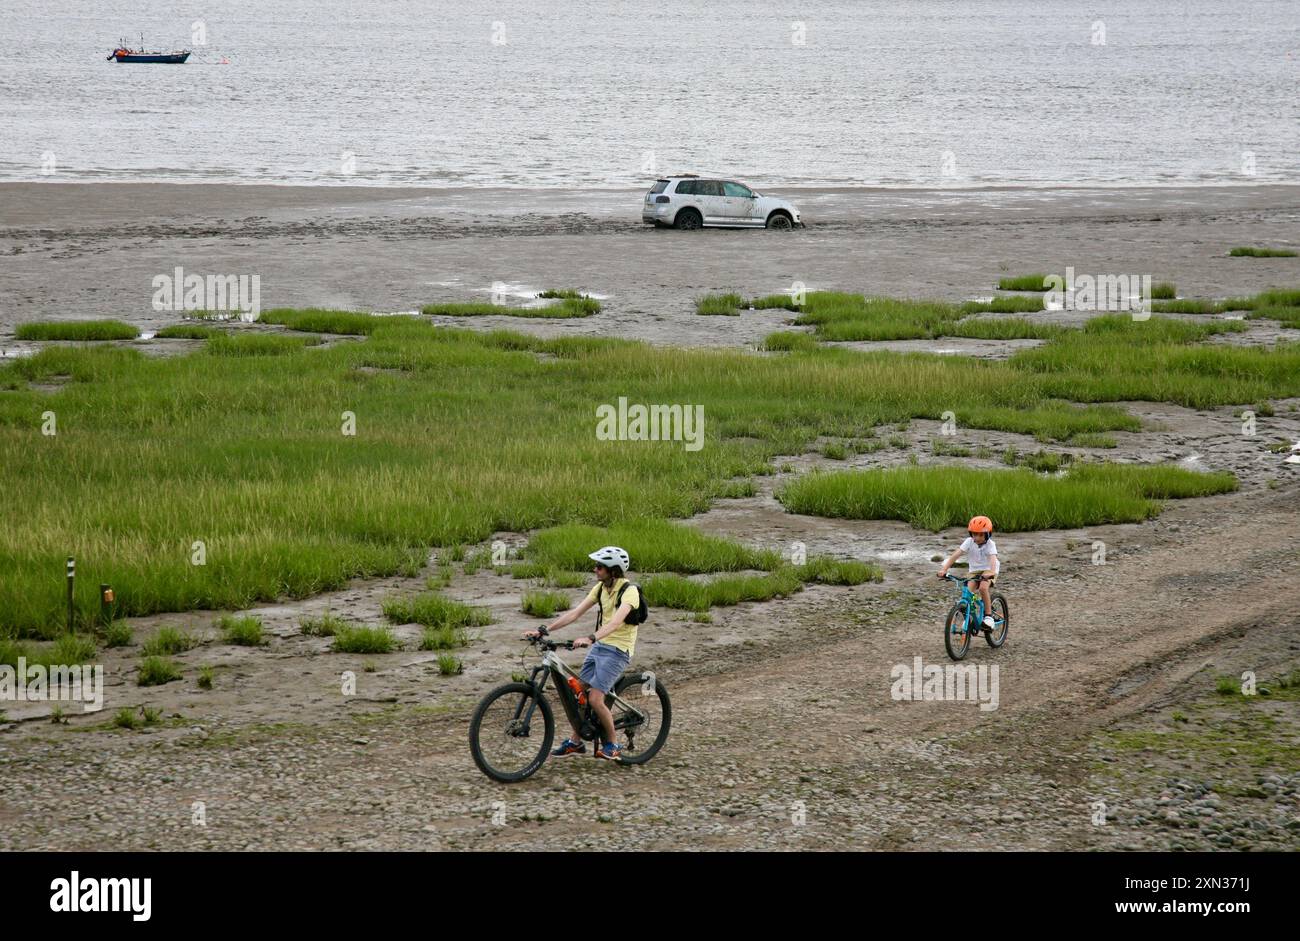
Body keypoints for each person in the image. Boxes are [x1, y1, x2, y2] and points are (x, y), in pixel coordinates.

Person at [522, 545, 640, 760]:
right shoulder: (600, 589)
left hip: (618, 650)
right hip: (600, 647)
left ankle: (613, 744)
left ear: (613, 571)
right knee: (580, 695)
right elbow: (575, 613)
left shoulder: (629, 591)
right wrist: (544, 630)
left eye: (599, 567)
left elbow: (615, 622)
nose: (595, 570)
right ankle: (576, 742)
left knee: (595, 699)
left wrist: (590, 638)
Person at [937, 516, 999, 630]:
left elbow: (993, 559)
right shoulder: (969, 542)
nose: (977, 537)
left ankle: (989, 616)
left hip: (988, 569)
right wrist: (944, 569)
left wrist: (991, 572)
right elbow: (956, 554)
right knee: (967, 593)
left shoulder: (991, 544)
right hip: (974, 571)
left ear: (988, 534)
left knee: (983, 588)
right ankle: (969, 615)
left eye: (981, 535)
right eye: (974, 534)